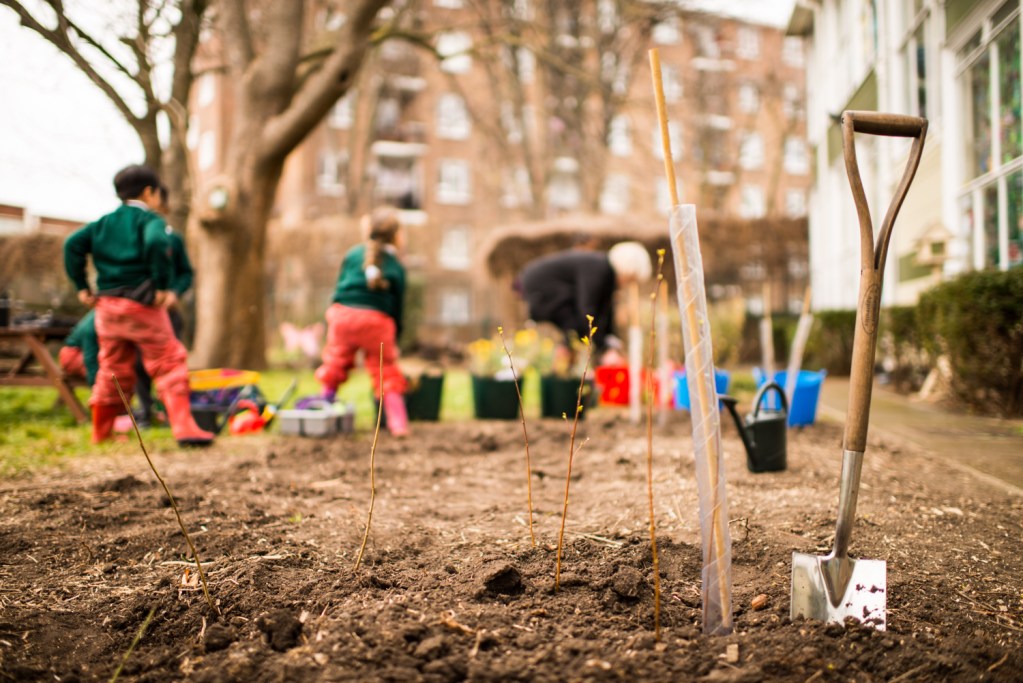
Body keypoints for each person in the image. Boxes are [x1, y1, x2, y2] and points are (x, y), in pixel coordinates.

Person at [63, 164, 214, 446]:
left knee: (112, 368)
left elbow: (72, 244)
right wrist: (161, 285)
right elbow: (156, 242)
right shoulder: (149, 220)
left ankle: (101, 433)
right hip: (141, 305)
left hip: (107, 309)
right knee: (169, 362)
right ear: (149, 192)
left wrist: (82, 286)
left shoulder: (103, 223)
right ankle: (184, 429)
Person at [307, 207, 409, 436]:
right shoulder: (396, 265)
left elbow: (339, 287)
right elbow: (398, 305)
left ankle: (324, 407)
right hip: (377, 322)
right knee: (386, 371)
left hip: (343, 316)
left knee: (335, 362)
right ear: (396, 236)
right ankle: (398, 424)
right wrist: (397, 336)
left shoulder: (353, 254)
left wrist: (335, 317)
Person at [518, 241, 652, 360]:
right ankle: (563, 361)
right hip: (539, 287)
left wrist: (610, 340)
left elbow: (605, 313)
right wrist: (603, 347)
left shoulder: (605, 275)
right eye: (629, 280)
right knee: (574, 326)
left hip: (544, 287)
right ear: (627, 271)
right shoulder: (598, 270)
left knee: (575, 329)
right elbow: (587, 310)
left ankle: (568, 359)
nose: (626, 285)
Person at [132, 184, 193, 427]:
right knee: (139, 362)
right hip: (140, 311)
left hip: (167, 312)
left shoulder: (172, 238)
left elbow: (186, 273)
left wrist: (174, 292)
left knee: (170, 361)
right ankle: (145, 410)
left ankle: (171, 411)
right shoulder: (133, 236)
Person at [59, 309, 98, 386]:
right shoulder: (91, 325)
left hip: (89, 353)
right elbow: (90, 357)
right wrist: (95, 384)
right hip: (74, 355)